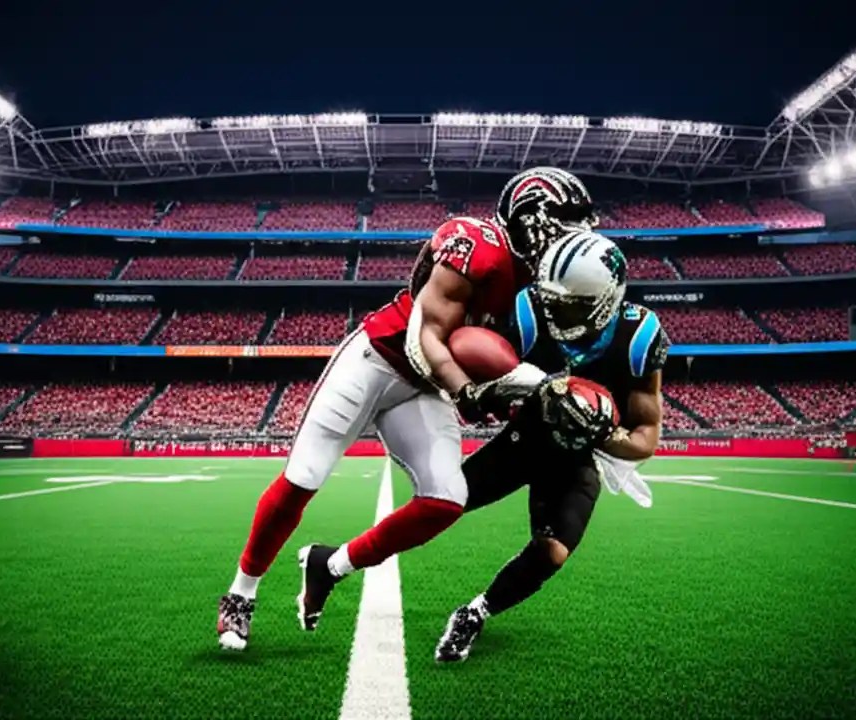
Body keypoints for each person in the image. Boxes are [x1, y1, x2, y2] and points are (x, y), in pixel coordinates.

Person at [217, 168, 598, 651]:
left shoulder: (544, 286)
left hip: (423, 391)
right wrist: (466, 389)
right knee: (303, 478)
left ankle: (329, 566)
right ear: (533, 221)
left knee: (445, 499)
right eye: (568, 226)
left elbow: (502, 359)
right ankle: (240, 594)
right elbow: (428, 339)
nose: (577, 240)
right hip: (379, 359)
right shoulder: (477, 243)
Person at [433, 230, 670, 663]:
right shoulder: (528, 310)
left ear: (605, 300)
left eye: (571, 302)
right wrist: (493, 391)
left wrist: (598, 429)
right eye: (552, 298)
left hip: (578, 452)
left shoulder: (638, 336)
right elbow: (478, 356)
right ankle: (340, 561)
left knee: (553, 551)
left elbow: (645, 437)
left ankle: (475, 613)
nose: (555, 309)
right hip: (527, 436)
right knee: (442, 501)